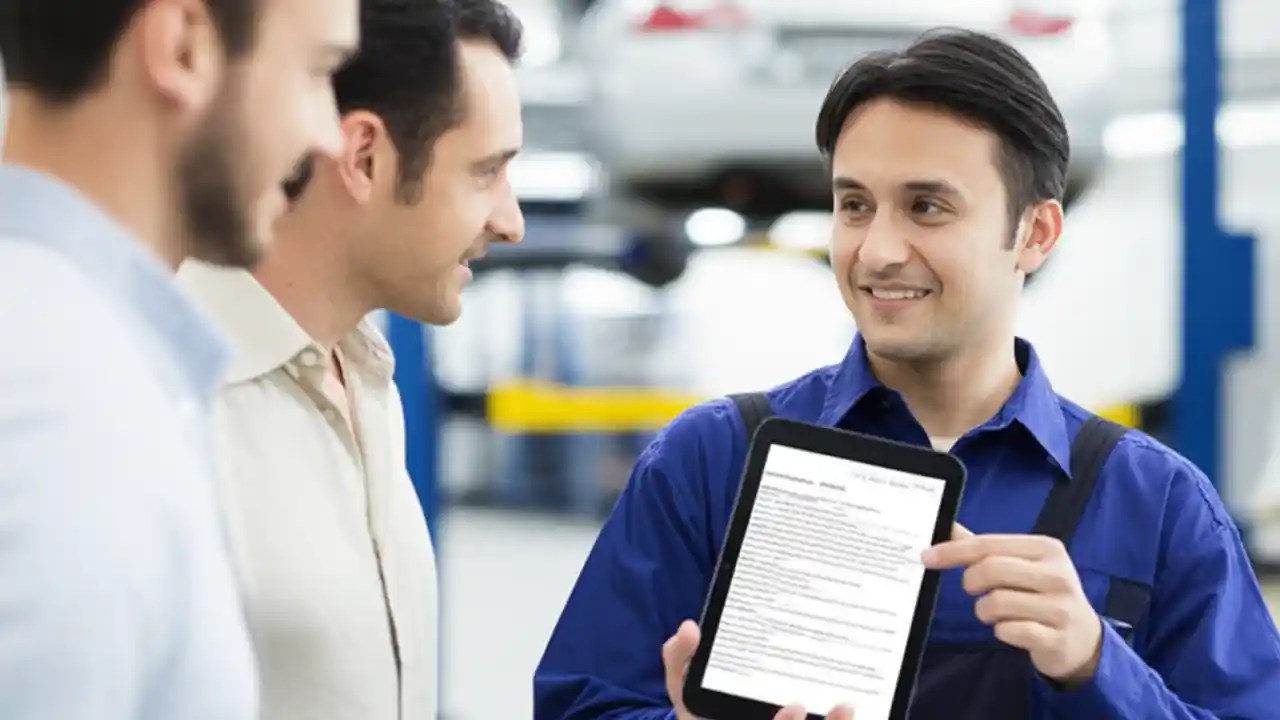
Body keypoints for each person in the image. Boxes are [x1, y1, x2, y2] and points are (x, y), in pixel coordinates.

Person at [534, 29, 1280, 719]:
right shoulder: (709, 461)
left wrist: (1096, 665)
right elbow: (581, 702)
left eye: (926, 207)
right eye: (854, 205)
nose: (879, 249)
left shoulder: (1159, 505)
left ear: (1035, 232)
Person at [0, 0, 357, 717]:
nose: (326, 136)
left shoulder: (82, 360)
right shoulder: (63, 413)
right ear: (183, 46)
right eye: (316, 73)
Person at [175, 0, 525, 717]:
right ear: (364, 157)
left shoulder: (366, 378)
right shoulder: (165, 396)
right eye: (485, 173)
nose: (511, 222)